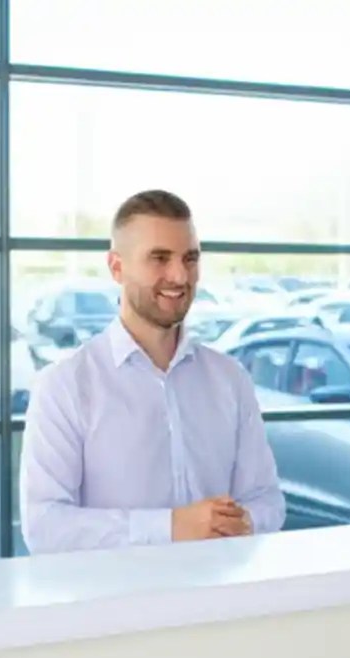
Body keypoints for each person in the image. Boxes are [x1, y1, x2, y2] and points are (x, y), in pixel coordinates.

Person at [19, 189, 286, 554]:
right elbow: (45, 527)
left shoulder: (230, 379)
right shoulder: (64, 386)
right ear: (117, 267)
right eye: (159, 258)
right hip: (113, 607)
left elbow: (267, 500)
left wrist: (242, 522)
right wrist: (171, 527)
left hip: (220, 603)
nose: (179, 275)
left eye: (190, 258)